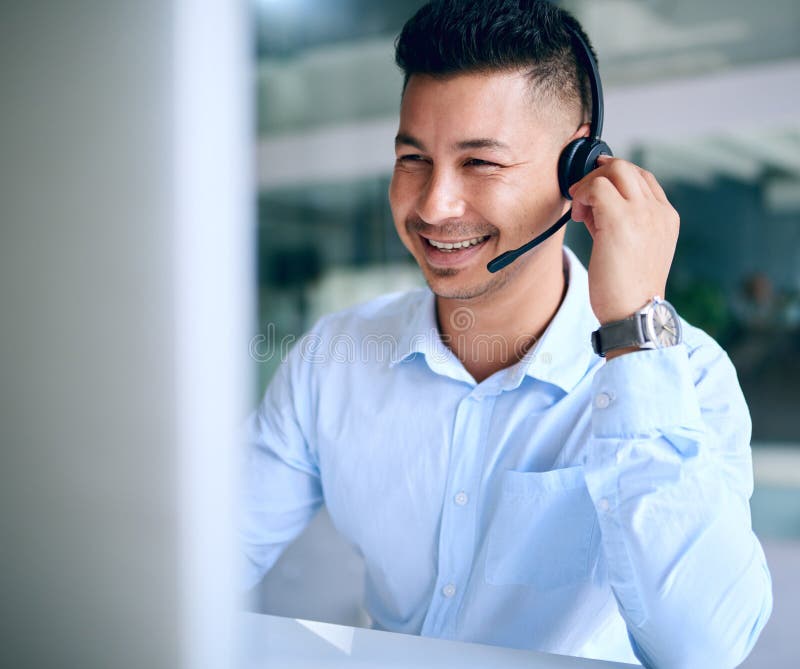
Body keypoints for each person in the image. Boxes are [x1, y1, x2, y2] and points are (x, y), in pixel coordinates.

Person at [241, 1, 772, 666]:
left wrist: (634, 332)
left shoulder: (684, 374)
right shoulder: (334, 358)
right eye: (414, 158)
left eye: (480, 163)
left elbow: (703, 647)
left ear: (577, 171)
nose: (433, 205)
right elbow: (210, 550)